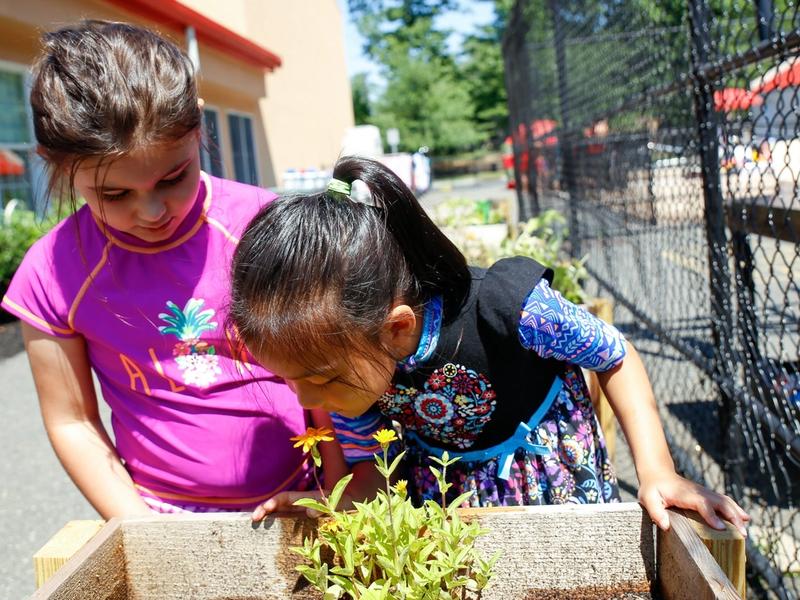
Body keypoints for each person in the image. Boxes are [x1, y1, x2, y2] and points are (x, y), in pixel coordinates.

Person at [229, 155, 750, 535]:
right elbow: (376, 481)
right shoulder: (347, 377)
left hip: (552, 481)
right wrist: (325, 509)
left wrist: (657, 470)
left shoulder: (509, 306)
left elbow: (615, 354)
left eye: (316, 378)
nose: (304, 399)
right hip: (454, 500)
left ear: (394, 328)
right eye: (289, 380)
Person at [1, 20, 380, 518]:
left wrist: (337, 498)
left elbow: (328, 381)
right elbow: (73, 422)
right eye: (113, 194)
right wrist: (141, 535)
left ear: (197, 125)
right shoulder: (52, 272)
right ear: (51, 161)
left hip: (300, 498)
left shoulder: (264, 230)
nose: (153, 211)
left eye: (173, 177)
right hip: (161, 515)